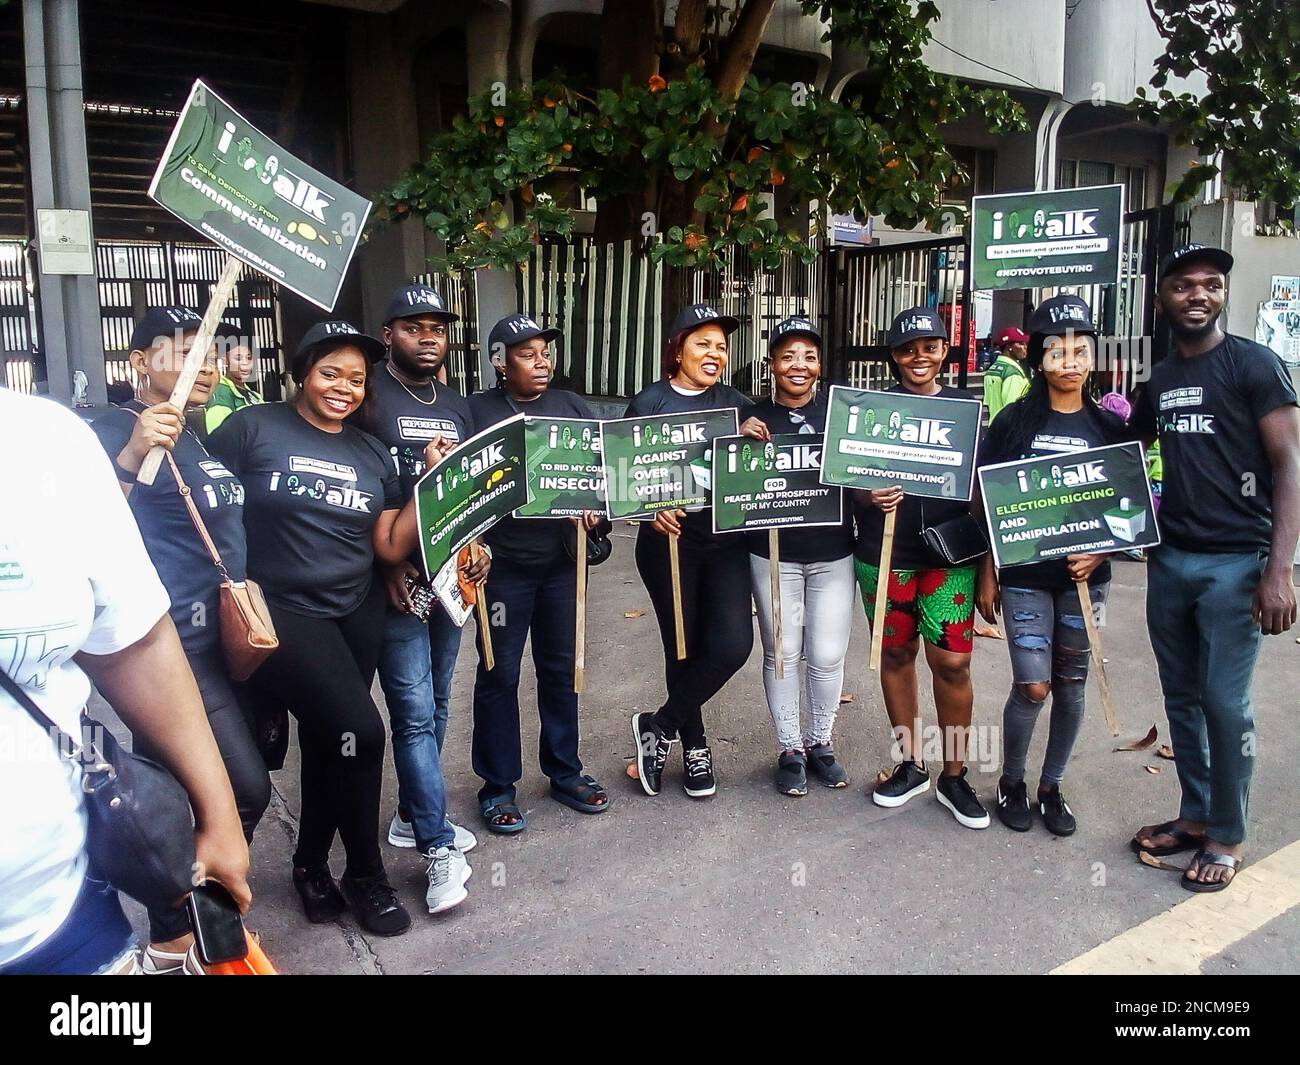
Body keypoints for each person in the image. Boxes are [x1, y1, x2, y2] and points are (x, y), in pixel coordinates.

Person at [0, 385, 250, 975]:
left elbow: (129, 640)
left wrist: (221, 821)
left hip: (58, 917)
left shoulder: (43, 439)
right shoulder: (115, 429)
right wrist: (134, 456)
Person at [208, 321, 442, 934]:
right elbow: (200, 504)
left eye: (357, 379)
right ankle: (366, 874)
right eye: (330, 373)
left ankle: (311, 864)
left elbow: (390, 545)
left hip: (355, 609)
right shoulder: (252, 427)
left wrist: (430, 482)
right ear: (302, 373)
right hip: (281, 609)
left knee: (329, 741)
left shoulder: (369, 452)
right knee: (361, 732)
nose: (344, 387)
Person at [90, 306, 271, 971]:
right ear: (139, 360)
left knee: (191, 789)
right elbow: (87, 530)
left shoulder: (199, 437)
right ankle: (176, 929)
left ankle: (196, 921)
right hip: (168, 648)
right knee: (241, 789)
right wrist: (134, 452)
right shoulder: (107, 428)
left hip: (225, 640)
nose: (206, 363)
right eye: (184, 350)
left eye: (212, 350)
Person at [1129, 244, 1300, 892]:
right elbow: (1128, 446)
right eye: (1183, 285)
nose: (1198, 295)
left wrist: (1279, 571)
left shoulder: (1256, 365)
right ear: (1162, 296)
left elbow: (1289, 467)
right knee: (1184, 699)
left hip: (1237, 564)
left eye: (1210, 285)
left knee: (1226, 704)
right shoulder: (1162, 377)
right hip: (1170, 559)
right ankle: (1196, 814)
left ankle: (1227, 835)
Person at [976, 295, 1136, 836]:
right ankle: (1011, 782)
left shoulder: (1112, 426)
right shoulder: (1012, 426)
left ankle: (1052, 786)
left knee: (1072, 683)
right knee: (1034, 686)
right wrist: (988, 571)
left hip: (1085, 581)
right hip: (1024, 577)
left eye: (1079, 350)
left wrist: (1104, 549)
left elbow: (1130, 505)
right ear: (1038, 359)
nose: (1069, 361)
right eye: (1056, 351)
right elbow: (989, 502)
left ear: (1092, 357)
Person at [361, 284, 481, 910]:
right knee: (410, 712)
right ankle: (437, 845)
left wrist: (474, 549)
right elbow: (355, 487)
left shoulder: (457, 406)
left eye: (437, 328)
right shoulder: (368, 395)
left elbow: (470, 490)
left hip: (447, 580)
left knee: (436, 704)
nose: (428, 337)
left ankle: (410, 816)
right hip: (394, 579)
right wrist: (384, 569)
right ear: (389, 335)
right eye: (413, 327)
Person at [467, 314, 610, 834]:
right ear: (500, 362)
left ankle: (565, 770)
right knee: (497, 672)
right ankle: (498, 784)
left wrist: (597, 511)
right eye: (527, 353)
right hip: (500, 569)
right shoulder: (476, 412)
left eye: (545, 352)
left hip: (562, 566)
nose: (542, 361)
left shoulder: (572, 406)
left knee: (562, 669)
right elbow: (461, 491)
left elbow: (602, 474)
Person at [857, 307, 989, 829]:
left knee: (952, 664)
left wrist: (989, 570)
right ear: (894, 356)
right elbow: (844, 474)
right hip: (884, 554)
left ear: (943, 351)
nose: (920, 356)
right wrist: (866, 495)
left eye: (930, 346)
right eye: (908, 348)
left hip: (950, 557)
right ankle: (910, 763)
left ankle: (954, 775)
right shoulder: (873, 410)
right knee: (895, 652)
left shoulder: (967, 411)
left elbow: (985, 490)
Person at [629, 304, 765, 798]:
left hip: (725, 541)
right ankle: (696, 746)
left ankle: (659, 723)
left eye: (722, 346)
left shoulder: (737, 404)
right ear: (678, 349)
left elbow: (758, 476)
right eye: (703, 343)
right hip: (667, 542)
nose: (714, 353)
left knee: (733, 644)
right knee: (681, 645)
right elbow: (624, 474)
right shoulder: (649, 402)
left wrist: (753, 438)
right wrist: (648, 510)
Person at [743, 317, 856, 796]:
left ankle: (821, 742)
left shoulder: (842, 414)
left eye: (809, 356)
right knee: (783, 653)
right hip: (773, 555)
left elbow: (866, 466)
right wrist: (737, 440)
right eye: (788, 355)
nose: (799, 365)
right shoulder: (750, 418)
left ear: (819, 366)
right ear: (772, 364)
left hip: (833, 553)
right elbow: (729, 482)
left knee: (827, 655)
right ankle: (790, 747)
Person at [205, 325, 264, 434]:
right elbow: (219, 436)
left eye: (249, 358)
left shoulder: (254, 395)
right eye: (238, 358)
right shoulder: (221, 394)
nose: (245, 363)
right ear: (225, 361)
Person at [983, 325, 1031, 422]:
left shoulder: (992, 370)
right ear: (1009, 347)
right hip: (1010, 431)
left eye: (1025, 343)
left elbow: (988, 404)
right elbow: (1013, 409)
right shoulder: (1013, 374)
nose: (1025, 347)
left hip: (994, 427)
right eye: (1021, 344)